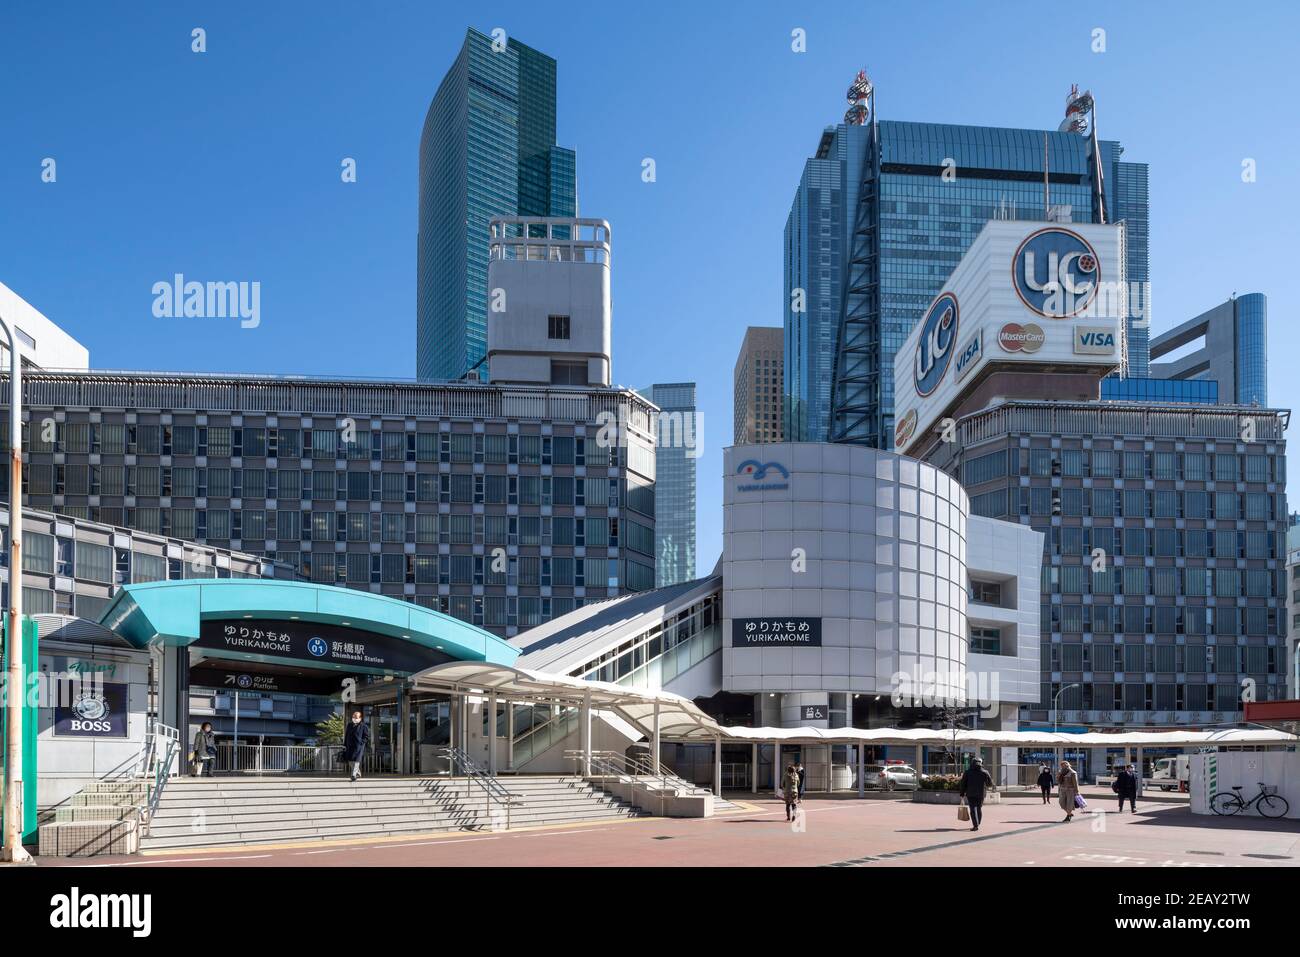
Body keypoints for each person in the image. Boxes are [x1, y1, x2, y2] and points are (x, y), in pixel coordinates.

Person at [958, 756, 995, 831]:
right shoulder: (985, 772)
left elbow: (963, 784)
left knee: (972, 809)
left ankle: (975, 825)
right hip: (981, 794)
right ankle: (978, 823)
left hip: (970, 794)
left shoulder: (967, 772)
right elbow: (990, 784)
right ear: (981, 763)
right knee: (978, 808)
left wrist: (962, 794)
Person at [342, 709, 371, 782]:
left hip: (358, 746)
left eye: (356, 717)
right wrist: (345, 744)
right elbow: (346, 735)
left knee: (356, 761)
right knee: (350, 760)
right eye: (353, 717)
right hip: (349, 745)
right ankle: (358, 773)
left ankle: (353, 775)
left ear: (360, 718)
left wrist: (361, 742)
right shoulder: (349, 725)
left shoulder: (364, 726)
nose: (354, 718)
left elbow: (366, 737)